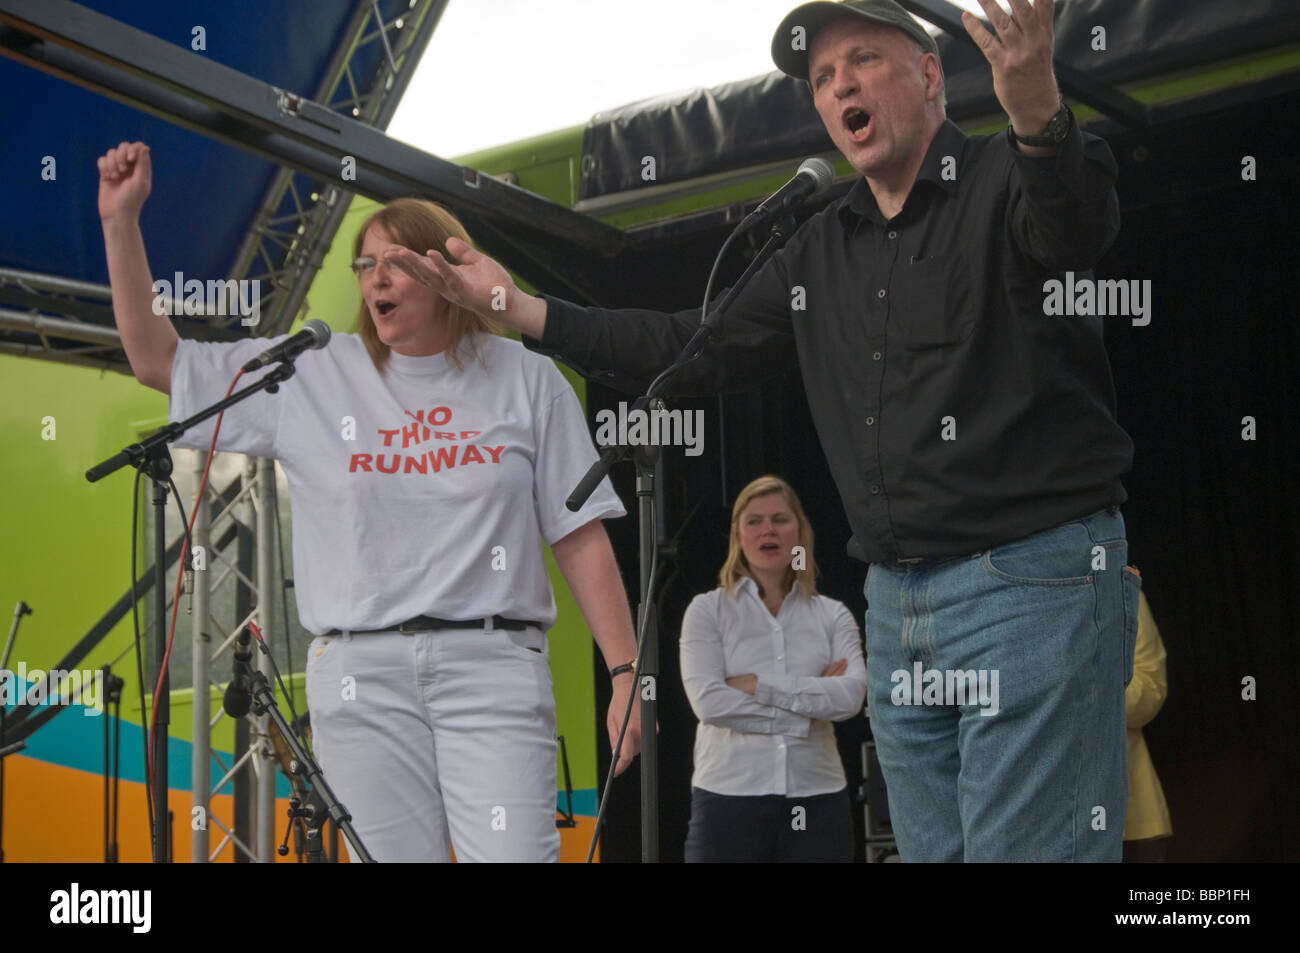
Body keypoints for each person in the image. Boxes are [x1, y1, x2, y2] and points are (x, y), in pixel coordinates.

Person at [403, 0, 1141, 862]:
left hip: (1027, 583)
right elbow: (688, 343)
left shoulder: (1005, 178)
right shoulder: (819, 249)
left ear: (931, 74)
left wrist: (1037, 113)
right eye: (824, 80)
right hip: (899, 605)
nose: (840, 87)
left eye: (862, 60)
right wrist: (517, 306)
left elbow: (1076, 226)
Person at [95, 142, 642, 862]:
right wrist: (121, 221)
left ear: (444, 271)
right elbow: (156, 360)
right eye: (365, 265)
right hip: (358, 675)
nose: (375, 279)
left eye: (395, 263)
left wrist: (627, 671)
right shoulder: (314, 372)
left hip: (494, 662)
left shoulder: (526, 378)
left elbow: (578, 534)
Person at [679, 476, 866, 862]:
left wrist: (755, 684)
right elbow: (709, 703)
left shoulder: (832, 614)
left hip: (817, 796)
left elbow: (850, 697)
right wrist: (808, 703)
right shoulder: (707, 611)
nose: (768, 530)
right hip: (728, 797)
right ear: (737, 536)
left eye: (780, 519)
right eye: (754, 521)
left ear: (799, 532)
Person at [1123, 586, 1173, 862]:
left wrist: (1091, 688)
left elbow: (1151, 690)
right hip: (1030, 815)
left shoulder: (1120, 591)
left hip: (1128, 821)